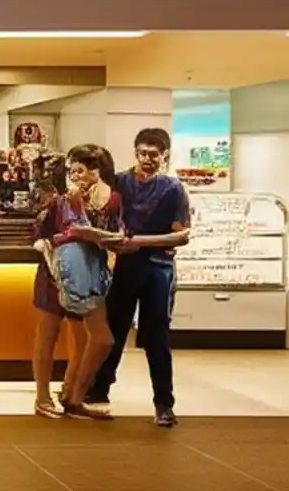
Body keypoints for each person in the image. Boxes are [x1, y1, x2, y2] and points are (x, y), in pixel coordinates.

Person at [86, 128, 191, 427]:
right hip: (125, 265)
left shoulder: (172, 189)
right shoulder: (119, 182)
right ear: (135, 152)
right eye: (143, 153)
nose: (147, 159)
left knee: (156, 336)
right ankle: (99, 389)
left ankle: (164, 403)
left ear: (164, 156)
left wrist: (140, 241)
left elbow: (181, 235)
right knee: (114, 331)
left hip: (158, 268)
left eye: (154, 155)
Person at [31, 145, 121, 420]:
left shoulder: (113, 200)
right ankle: (43, 396)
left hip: (90, 274)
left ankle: (74, 394)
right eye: (74, 171)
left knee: (98, 337)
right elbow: (41, 232)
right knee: (49, 331)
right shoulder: (60, 201)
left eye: (83, 170)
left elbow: (116, 233)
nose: (78, 176)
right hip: (55, 272)